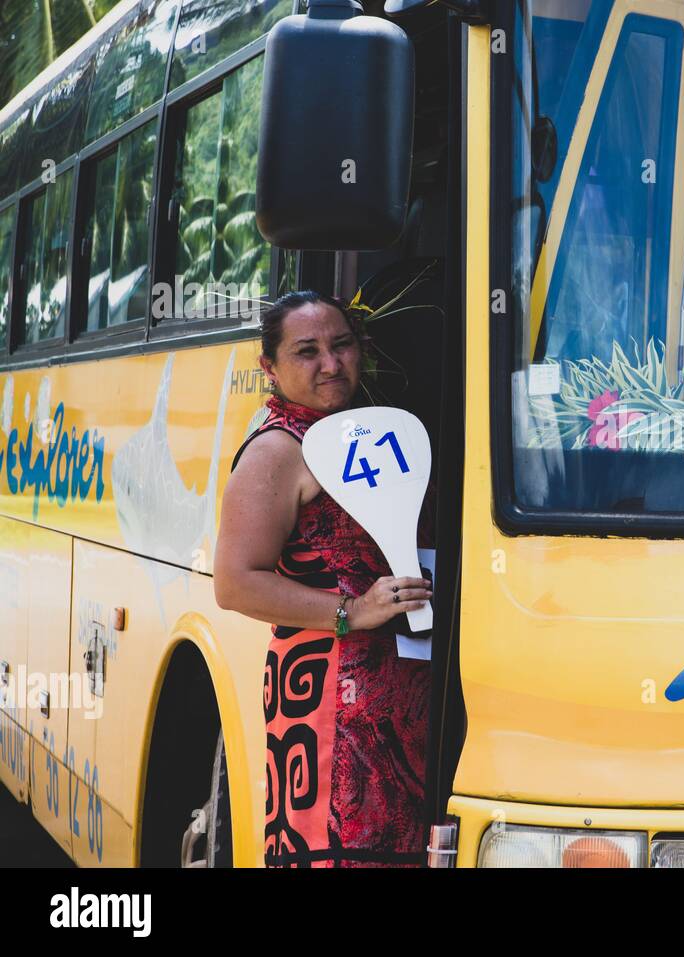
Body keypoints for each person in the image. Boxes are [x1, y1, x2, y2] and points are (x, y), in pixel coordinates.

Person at [214, 290, 434, 868]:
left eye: (341, 345)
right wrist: (352, 611)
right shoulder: (278, 450)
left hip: (398, 700)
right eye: (307, 351)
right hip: (328, 704)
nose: (331, 364)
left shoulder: (365, 431)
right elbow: (235, 583)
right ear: (270, 367)